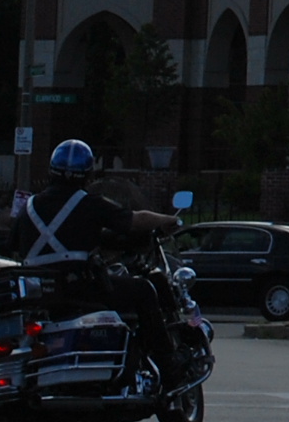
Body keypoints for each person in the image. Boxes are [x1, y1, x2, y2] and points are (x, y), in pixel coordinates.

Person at [16, 140, 185, 384]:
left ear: (52, 170)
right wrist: (167, 220)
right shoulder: (87, 203)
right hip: (80, 289)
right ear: (87, 173)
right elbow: (134, 220)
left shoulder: (28, 207)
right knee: (144, 290)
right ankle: (168, 363)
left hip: (39, 293)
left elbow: (13, 243)